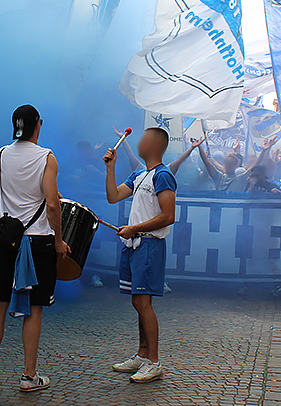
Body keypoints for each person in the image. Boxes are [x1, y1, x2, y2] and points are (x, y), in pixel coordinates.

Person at [0, 105, 70, 393]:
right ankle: (29, 376)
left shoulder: (1, 155)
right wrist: (59, 240)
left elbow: (14, 190)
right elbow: (53, 204)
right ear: (38, 125)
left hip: (8, 239)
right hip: (38, 241)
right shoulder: (47, 157)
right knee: (34, 309)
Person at [103, 128, 176, 383]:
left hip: (149, 245)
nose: (139, 142)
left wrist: (134, 228)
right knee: (138, 303)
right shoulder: (139, 175)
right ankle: (142, 355)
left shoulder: (163, 175)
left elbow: (168, 216)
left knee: (144, 304)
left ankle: (154, 362)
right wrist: (110, 167)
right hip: (133, 245)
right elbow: (113, 197)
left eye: (143, 139)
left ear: (154, 146)